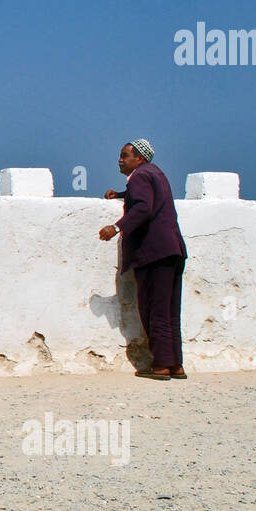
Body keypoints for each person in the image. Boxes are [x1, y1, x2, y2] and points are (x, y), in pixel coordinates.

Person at [99, 138, 187, 379]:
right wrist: (120, 194)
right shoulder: (155, 174)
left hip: (154, 253)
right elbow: (143, 197)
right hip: (173, 250)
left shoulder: (140, 176)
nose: (120, 159)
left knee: (153, 309)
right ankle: (176, 365)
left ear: (139, 159)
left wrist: (116, 228)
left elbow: (142, 208)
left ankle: (160, 365)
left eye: (125, 155)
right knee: (170, 310)